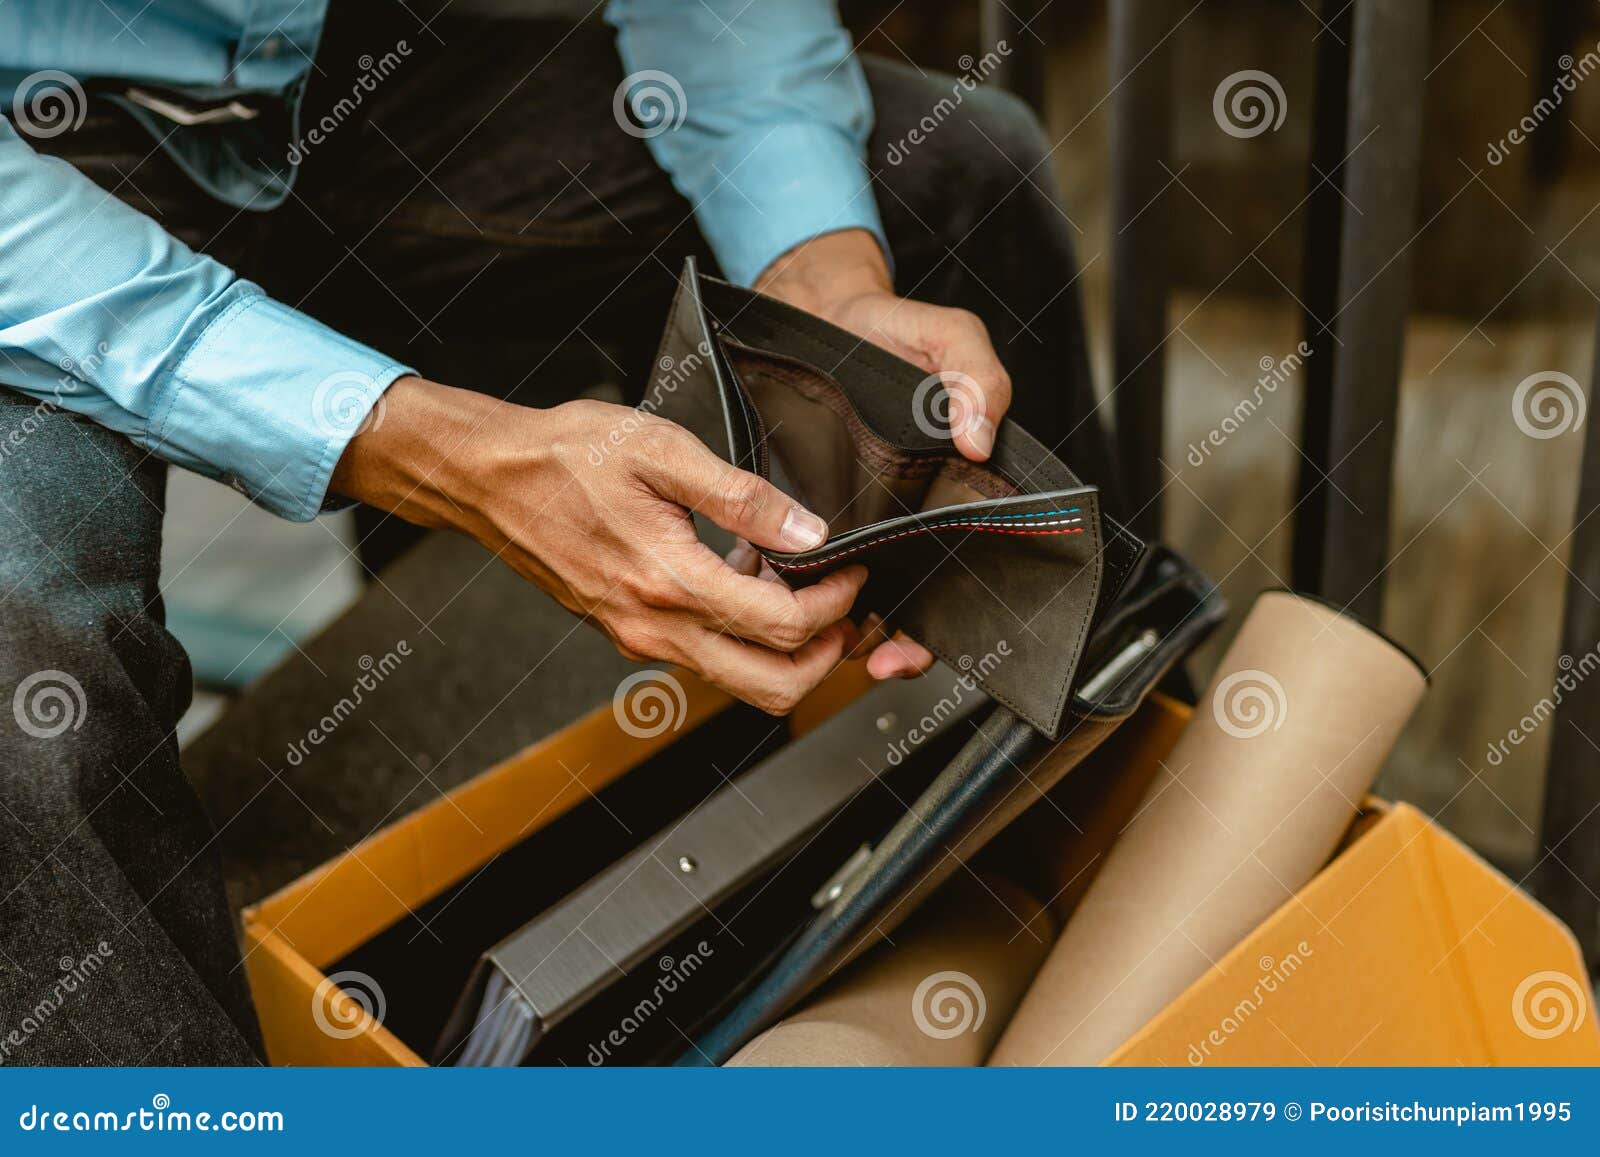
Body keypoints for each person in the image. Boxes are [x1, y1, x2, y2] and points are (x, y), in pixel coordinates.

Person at [0, 1, 1113, 1063]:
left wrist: (818, 278)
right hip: (27, 160)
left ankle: (1107, 846)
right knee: (20, 670)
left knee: (956, 174)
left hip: (314, 71)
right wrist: (433, 446)